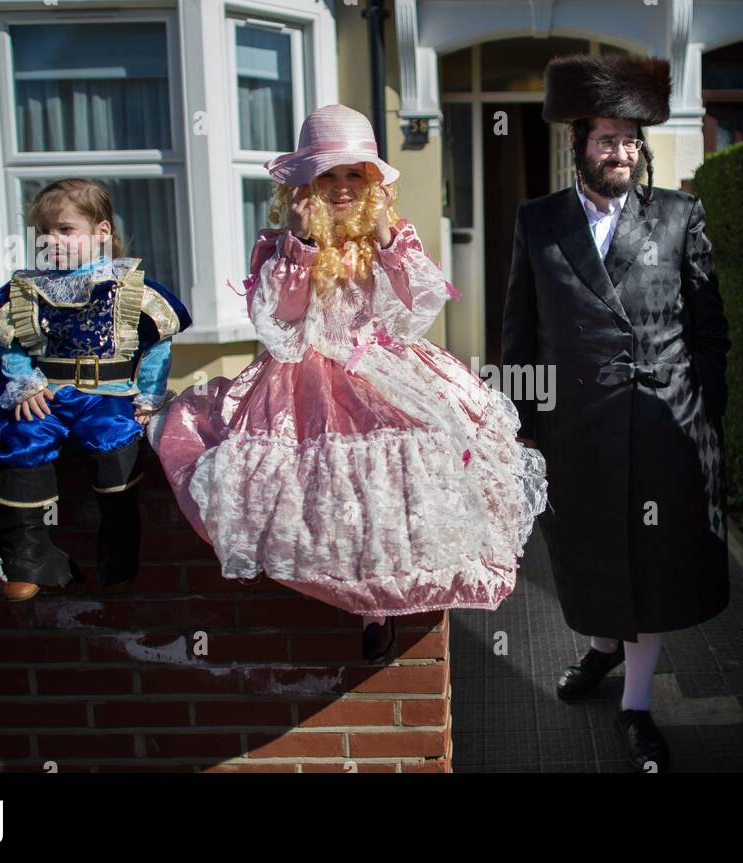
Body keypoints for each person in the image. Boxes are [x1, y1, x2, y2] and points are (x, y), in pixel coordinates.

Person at [149, 104, 547, 664]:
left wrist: (386, 236)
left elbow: (413, 314)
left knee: (414, 464)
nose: (340, 188)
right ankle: (362, 604)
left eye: (353, 174)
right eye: (327, 176)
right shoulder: (282, 245)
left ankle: (391, 597)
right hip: (304, 377)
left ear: (373, 182)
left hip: (385, 366)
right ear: (304, 185)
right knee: (330, 490)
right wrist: (303, 246)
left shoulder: (390, 238)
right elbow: (283, 330)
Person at [502, 54, 731, 772]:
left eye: (631, 139)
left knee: (652, 567)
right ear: (580, 145)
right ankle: (602, 650)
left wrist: (703, 417)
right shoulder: (538, 222)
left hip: (663, 426)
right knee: (592, 559)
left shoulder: (679, 215)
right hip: (578, 432)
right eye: (607, 139)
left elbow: (710, 330)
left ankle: (636, 704)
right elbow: (520, 331)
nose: (622, 152)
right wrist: (524, 427)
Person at [0, 178, 191, 601]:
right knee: (21, 442)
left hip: (110, 393)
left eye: (65, 229)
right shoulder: (28, 290)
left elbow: (156, 348)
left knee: (117, 445)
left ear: (101, 232)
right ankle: (26, 561)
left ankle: (118, 558)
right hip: (50, 394)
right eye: (44, 231)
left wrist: (150, 397)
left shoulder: (131, 288)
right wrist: (24, 383)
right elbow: (11, 342)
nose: (53, 240)